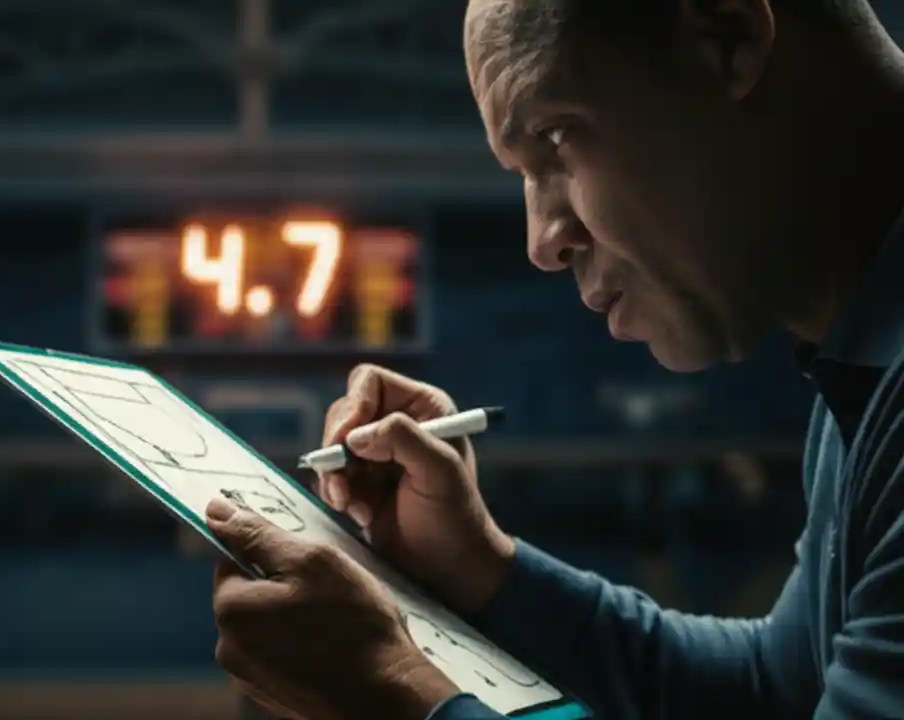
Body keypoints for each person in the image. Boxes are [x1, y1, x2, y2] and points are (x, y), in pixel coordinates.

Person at [204, 0, 904, 717]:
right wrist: (478, 569)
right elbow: (772, 690)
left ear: (727, 37)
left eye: (555, 140)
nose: (543, 241)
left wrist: (391, 692)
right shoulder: (863, 362)